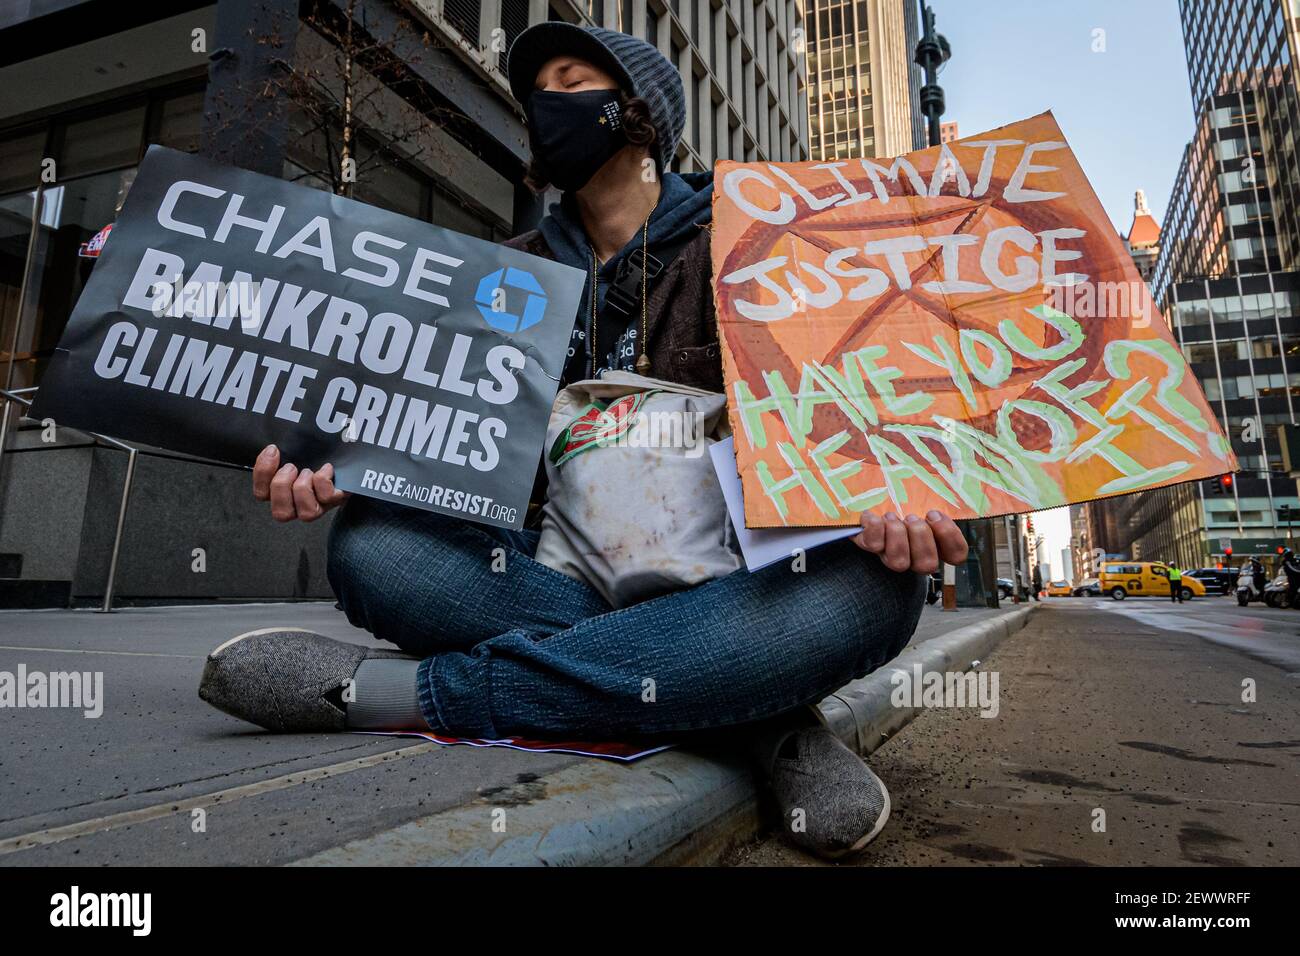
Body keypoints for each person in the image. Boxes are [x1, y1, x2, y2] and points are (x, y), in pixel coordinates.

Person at [196, 23, 968, 859]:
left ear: (639, 117)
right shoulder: (501, 271)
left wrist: (895, 496)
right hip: (552, 572)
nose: (545, 104)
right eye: (538, 93)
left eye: (572, 82)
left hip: (742, 577)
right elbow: (452, 453)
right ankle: (759, 711)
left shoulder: (755, 247)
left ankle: (421, 695)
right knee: (372, 546)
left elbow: (843, 417)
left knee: (879, 590)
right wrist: (348, 465)